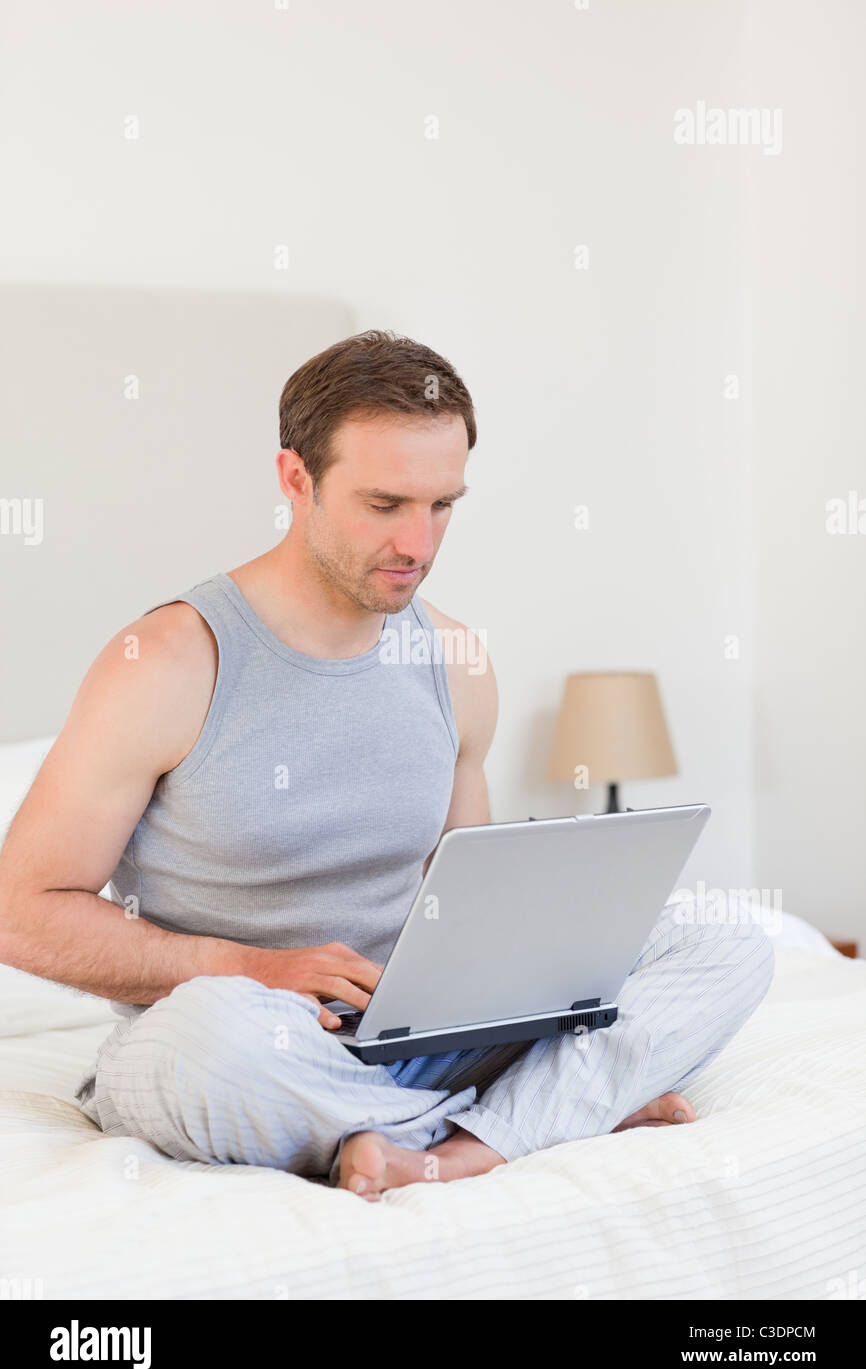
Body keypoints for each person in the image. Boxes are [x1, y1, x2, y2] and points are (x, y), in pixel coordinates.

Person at [0, 330, 774, 1200]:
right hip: (248, 1038)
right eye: (385, 503)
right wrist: (245, 968)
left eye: (443, 505)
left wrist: (548, 951)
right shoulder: (171, 661)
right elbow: (21, 911)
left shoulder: (455, 660)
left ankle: (437, 1147)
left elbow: (472, 904)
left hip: (419, 1036)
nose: (419, 541)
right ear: (296, 479)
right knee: (210, 1042)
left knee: (729, 943)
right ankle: (529, 1118)